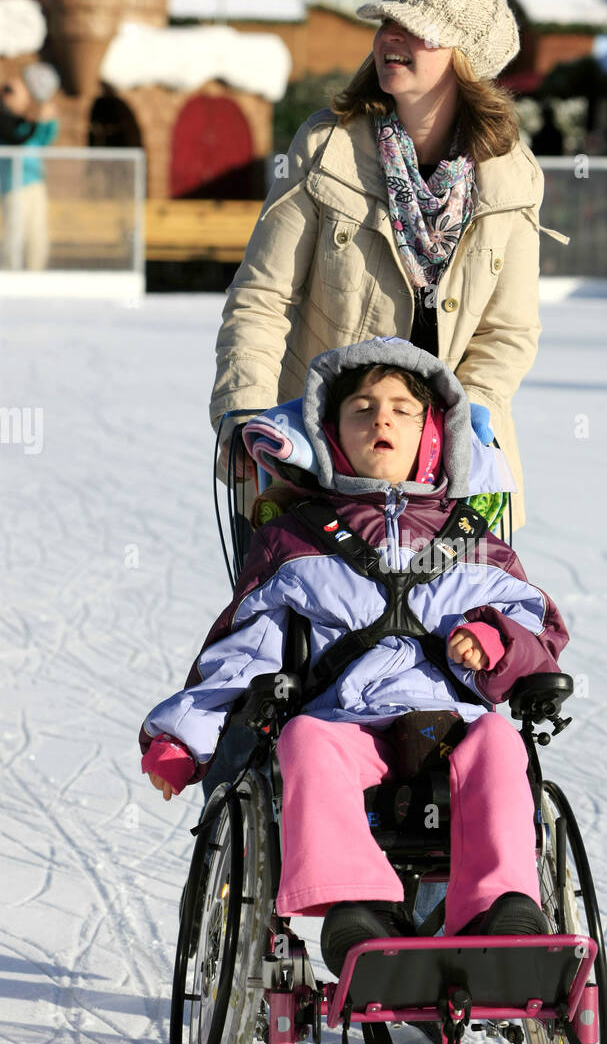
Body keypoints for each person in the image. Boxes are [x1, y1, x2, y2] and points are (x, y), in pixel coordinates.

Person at [140, 337, 568, 973]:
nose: (382, 419)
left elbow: (537, 630)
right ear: (332, 435)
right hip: (344, 722)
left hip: (447, 723)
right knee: (305, 739)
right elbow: (245, 652)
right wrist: (185, 735)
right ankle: (357, 908)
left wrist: (494, 640)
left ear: (435, 434)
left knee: (500, 744)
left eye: (402, 408)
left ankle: (502, 906)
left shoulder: (474, 545)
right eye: (361, 409)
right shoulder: (297, 541)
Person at [212, 0, 565, 535]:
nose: (390, 39)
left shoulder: (512, 177)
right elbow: (260, 298)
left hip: (450, 481)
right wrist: (245, 413)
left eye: (417, 30)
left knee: (462, 625)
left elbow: (511, 330)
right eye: (386, 24)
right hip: (320, 465)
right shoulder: (328, 149)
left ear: (465, 57)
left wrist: (468, 407)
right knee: (312, 619)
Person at [0, 64, 60, 271]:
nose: (8, 95)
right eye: (6, 91)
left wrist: (48, 119)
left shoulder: (28, 121)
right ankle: (9, 274)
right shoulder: (5, 122)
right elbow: (19, 138)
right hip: (12, 186)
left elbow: (45, 138)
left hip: (34, 183)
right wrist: (38, 123)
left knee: (38, 235)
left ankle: (36, 275)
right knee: (13, 235)